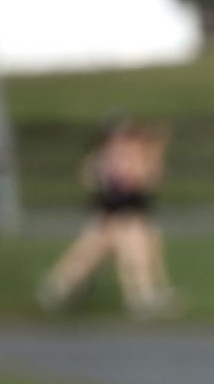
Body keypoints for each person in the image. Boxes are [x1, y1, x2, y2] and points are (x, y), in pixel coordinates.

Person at [38, 117, 177, 317]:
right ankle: (140, 295)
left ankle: (62, 285)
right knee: (125, 238)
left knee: (143, 235)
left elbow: (148, 185)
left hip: (124, 217)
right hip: (112, 217)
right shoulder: (105, 159)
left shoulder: (136, 156)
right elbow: (117, 189)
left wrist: (152, 153)